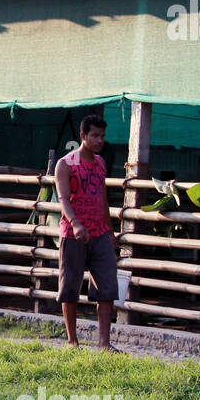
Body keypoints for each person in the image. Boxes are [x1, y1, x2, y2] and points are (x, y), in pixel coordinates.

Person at [55, 114, 121, 350]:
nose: (99, 140)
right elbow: (63, 197)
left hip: (100, 232)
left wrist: (111, 231)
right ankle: (73, 341)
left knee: (107, 285)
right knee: (70, 286)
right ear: (83, 136)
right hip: (73, 233)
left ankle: (104, 343)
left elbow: (102, 198)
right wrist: (75, 223)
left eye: (102, 136)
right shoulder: (65, 163)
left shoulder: (101, 163)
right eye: (94, 135)